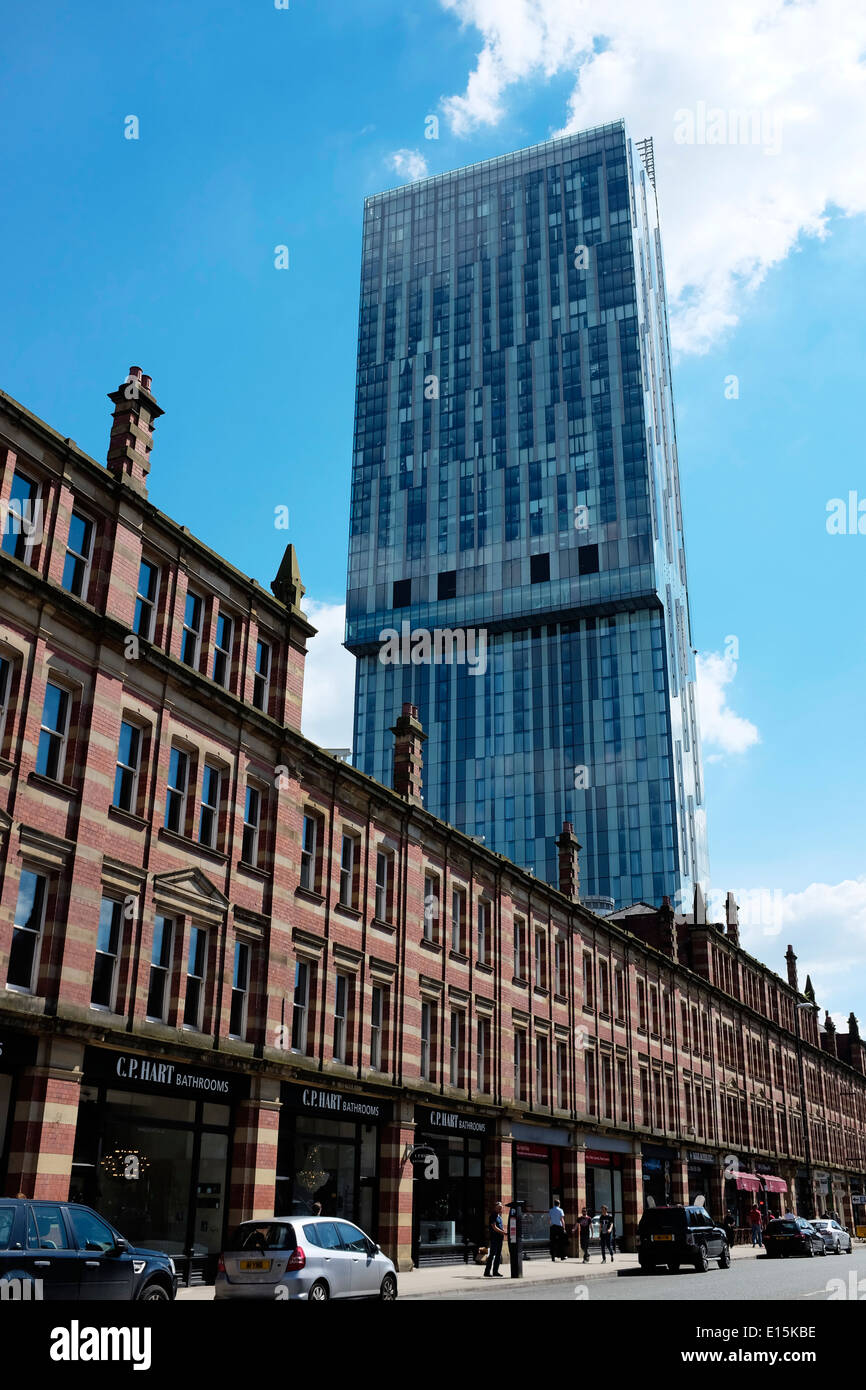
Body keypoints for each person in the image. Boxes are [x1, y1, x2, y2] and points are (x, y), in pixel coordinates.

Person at [484, 1201, 505, 1277]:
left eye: (501, 1208)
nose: (500, 1209)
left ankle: (495, 1271)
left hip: (500, 1238)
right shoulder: (493, 1216)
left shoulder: (499, 1216)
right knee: (492, 1254)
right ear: (495, 1208)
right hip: (494, 1238)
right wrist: (503, 1232)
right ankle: (487, 1272)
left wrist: (503, 1232)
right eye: (499, 1208)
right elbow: (494, 1227)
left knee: (498, 1255)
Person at [549, 1197, 567, 1261]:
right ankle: (562, 1256)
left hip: (553, 1227)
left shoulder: (550, 1210)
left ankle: (553, 1257)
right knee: (561, 1242)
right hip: (559, 1227)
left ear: (554, 1204)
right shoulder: (560, 1210)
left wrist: (550, 1226)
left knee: (553, 1242)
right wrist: (564, 1228)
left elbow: (550, 1220)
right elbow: (562, 1220)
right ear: (559, 1204)